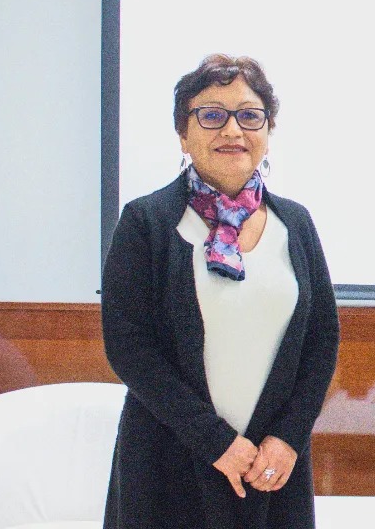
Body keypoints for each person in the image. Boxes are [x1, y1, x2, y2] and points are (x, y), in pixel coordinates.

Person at [101, 54, 340, 528]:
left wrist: (287, 438)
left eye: (249, 115)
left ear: (268, 130)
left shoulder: (296, 224)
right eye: (211, 115)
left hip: (270, 467)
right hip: (168, 462)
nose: (232, 130)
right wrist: (217, 443)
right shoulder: (146, 223)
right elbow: (129, 348)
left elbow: (321, 342)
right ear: (183, 133)